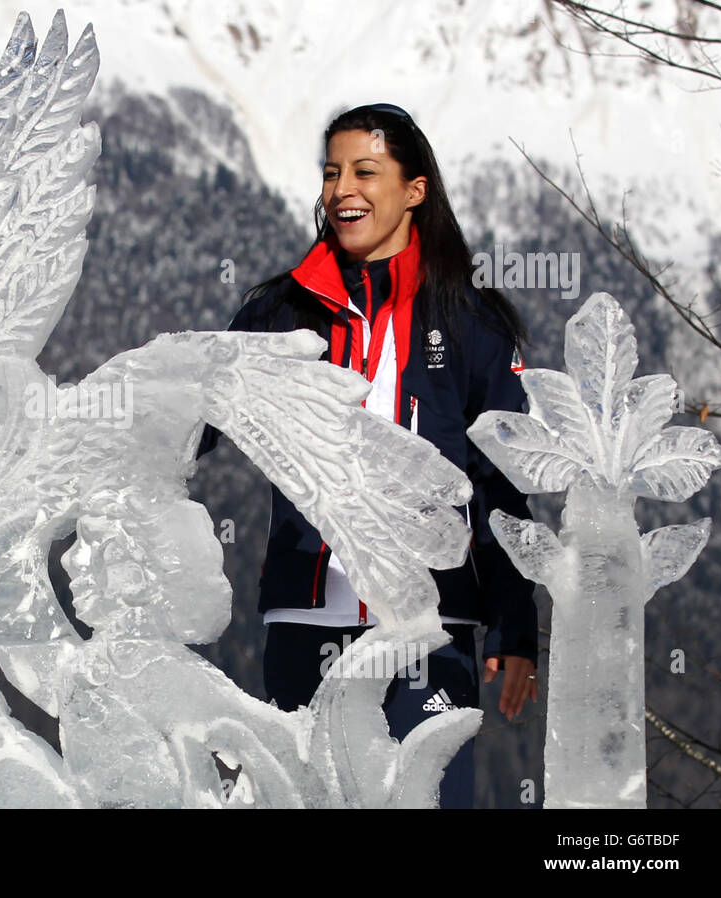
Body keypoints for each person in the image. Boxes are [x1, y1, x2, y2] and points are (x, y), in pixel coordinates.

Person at [197, 103, 539, 808]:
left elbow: (499, 484)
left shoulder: (472, 324)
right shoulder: (277, 314)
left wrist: (514, 624)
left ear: (415, 190)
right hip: (307, 615)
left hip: (433, 622)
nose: (341, 188)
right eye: (331, 173)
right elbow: (195, 429)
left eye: (364, 170)